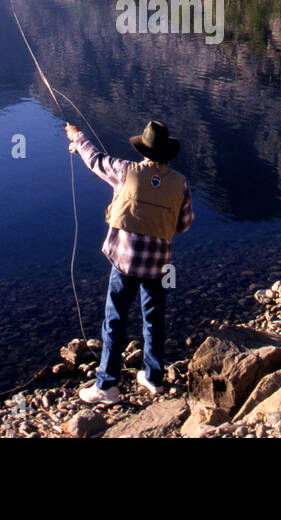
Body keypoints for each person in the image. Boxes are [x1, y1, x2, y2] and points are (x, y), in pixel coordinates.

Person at [65, 119, 194, 404]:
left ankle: (107, 385)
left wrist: (76, 138)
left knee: (115, 320)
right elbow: (184, 224)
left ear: (144, 149)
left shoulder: (125, 171)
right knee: (154, 319)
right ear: (166, 153)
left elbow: (95, 160)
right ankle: (153, 377)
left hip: (124, 262)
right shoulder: (181, 184)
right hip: (159, 264)